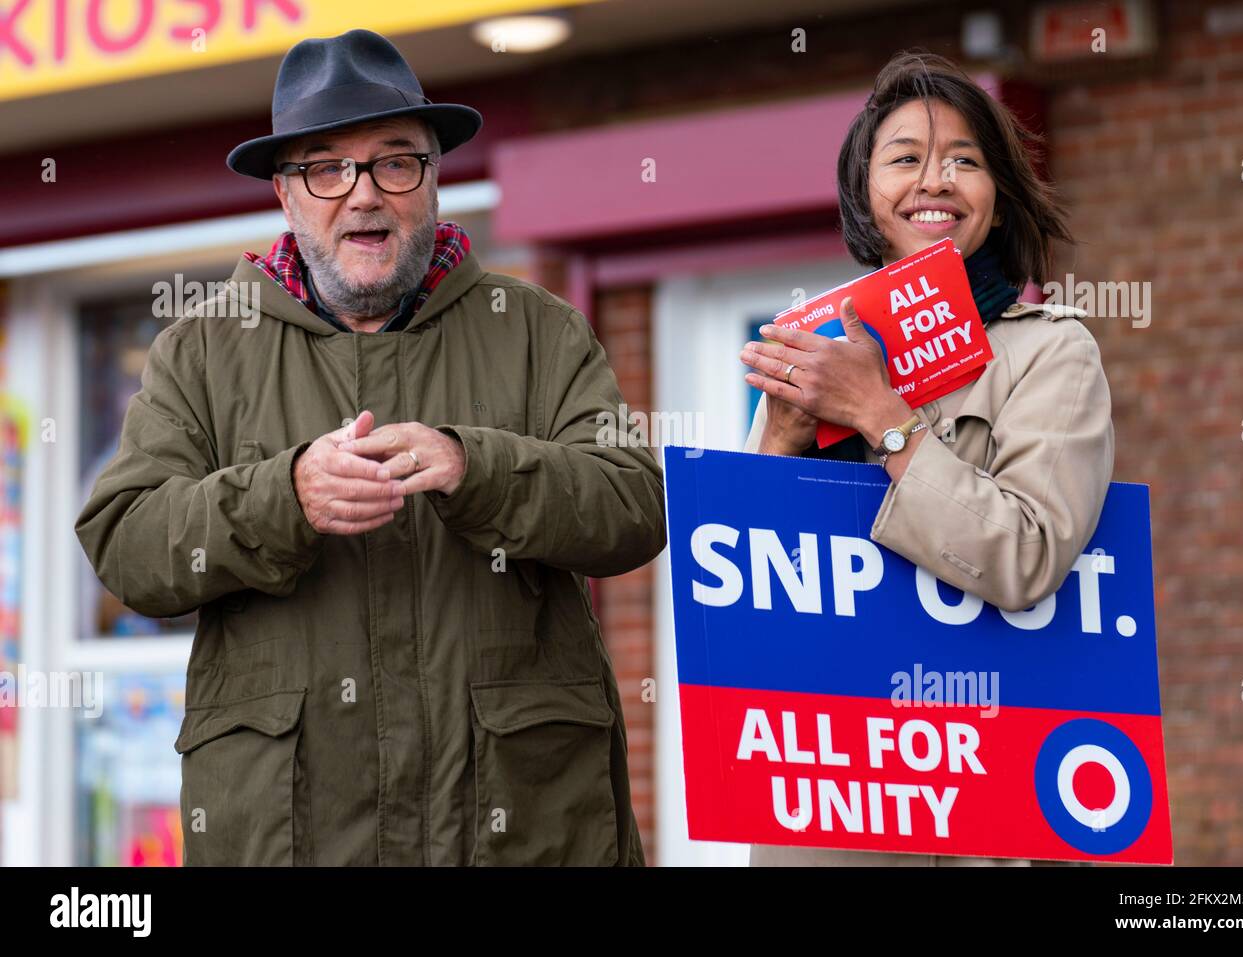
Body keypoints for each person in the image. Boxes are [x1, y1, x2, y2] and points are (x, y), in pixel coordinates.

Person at [75, 29, 665, 866]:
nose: (362, 196)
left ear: (433, 180)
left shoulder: (538, 329)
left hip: (519, 827)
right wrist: (284, 497)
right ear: (286, 195)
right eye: (325, 168)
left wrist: (478, 465)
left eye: (395, 162)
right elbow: (126, 542)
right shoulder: (201, 349)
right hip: (290, 834)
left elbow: (635, 505)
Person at [740, 52, 1114, 867]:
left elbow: (1027, 555)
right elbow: (745, 592)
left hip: (983, 794)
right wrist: (781, 439)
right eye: (905, 158)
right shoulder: (821, 349)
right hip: (829, 799)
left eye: (965, 163)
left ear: (999, 197)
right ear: (863, 196)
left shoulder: (1053, 355)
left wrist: (882, 419)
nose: (934, 182)